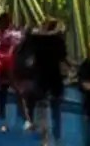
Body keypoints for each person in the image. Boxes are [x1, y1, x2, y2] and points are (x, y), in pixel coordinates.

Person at [23, 18, 69, 146]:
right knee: (56, 110)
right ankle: (58, 138)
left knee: (41, 109)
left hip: (41, 78)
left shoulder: (36, 39)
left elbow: (29, 50)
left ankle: (45, 139)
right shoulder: (58, 41)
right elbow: (63, 57)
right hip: (55, 79)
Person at [0, 12, 26, 132]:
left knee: (12, 93)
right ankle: (7, 118)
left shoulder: (10, 35)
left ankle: (19, 116)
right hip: (5, 67)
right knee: (5, 93)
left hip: (9, 67)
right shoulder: (3, 36)